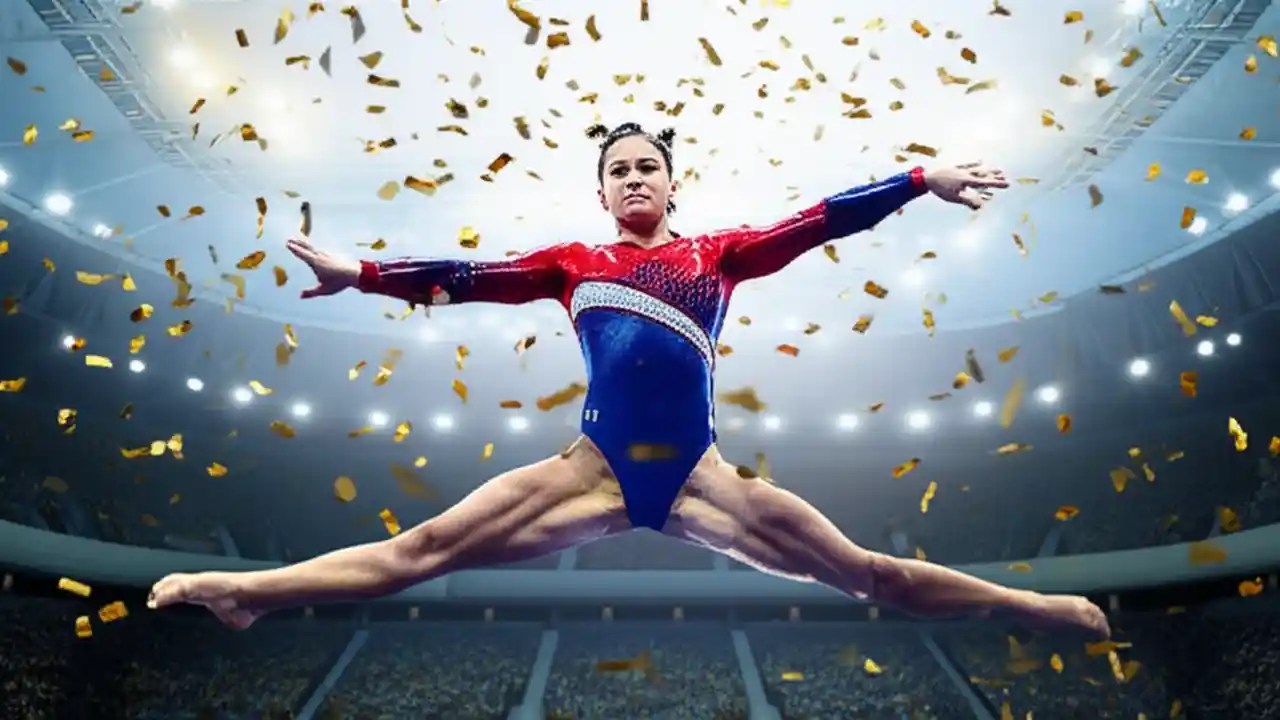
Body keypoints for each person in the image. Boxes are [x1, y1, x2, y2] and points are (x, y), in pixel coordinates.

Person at [149, 122, 1109, 639]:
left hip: (700, 477)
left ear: (672, 184)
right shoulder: (573, 263)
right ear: (602, 193)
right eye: (619, 170)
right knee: (425, 548)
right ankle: (252, 593)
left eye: (650, 166)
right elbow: (468, 278)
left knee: (869, 576)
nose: (636, 178)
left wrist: (915, 178)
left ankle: (1039, 608)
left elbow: (819, 221)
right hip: (592, 469)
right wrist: (361, 272)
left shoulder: (720, 255)